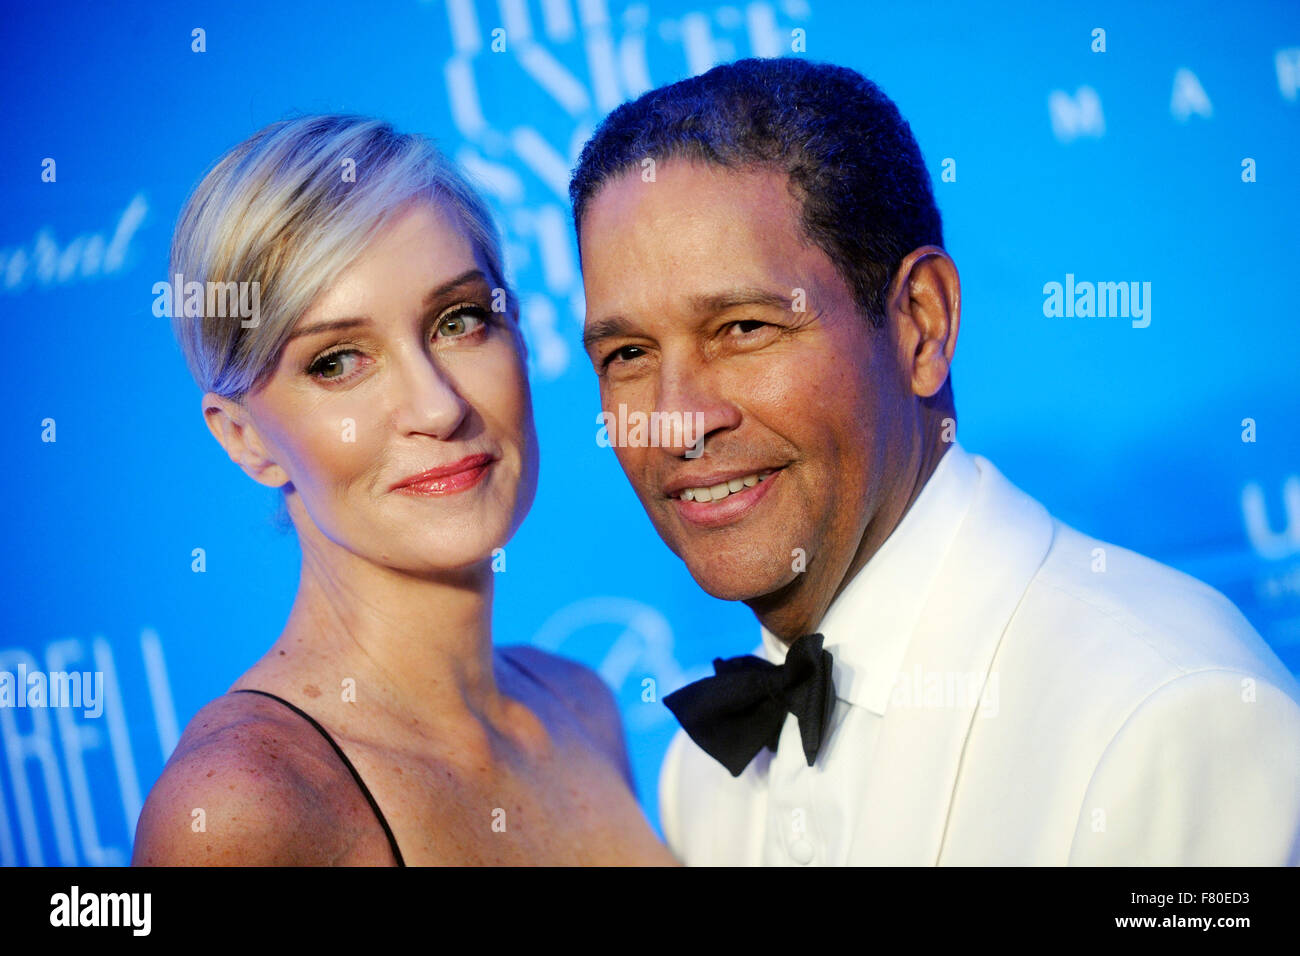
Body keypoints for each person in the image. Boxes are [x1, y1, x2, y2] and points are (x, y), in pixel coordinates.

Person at [568, 57, 1300, 865]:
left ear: (922, 323)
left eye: (745, 328)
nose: (678, 421)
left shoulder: (1170, 720)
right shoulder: (702, 777)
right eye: (629, 352)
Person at [133, 115, 677, 866]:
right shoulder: (245, 806)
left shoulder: (580, 706)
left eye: (459, 321)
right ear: (244, 438)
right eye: (337, 362)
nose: (437, 406)